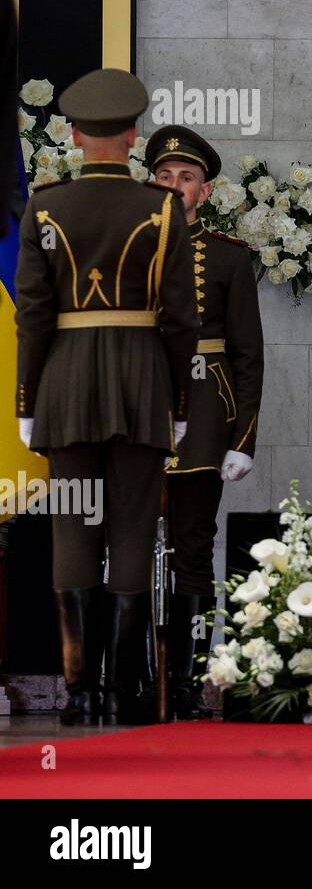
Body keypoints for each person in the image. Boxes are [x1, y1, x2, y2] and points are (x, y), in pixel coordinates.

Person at [15, 70, 198, 724]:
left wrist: (26, 400)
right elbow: (180, 320)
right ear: (131, 135)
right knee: (128, 529)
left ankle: (79, 688)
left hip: (65, 387)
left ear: (72, 135)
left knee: (73, 527)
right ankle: (122, 690)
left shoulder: (45, 205)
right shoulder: (163, 207)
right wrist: (177, 404)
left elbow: (32, 316)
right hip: (141, 383)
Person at [146, 125, 263, 718]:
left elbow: (247, 355)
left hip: (207, 419)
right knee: (129, 547)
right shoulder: (126, 246)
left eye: (184, 178)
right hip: (137, 415)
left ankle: (191, 682)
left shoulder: (227, 257)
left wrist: (242, 439)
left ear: (205, 192)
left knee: (193, 548)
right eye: (163, 177)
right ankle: (139, 679)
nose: (173, 186)